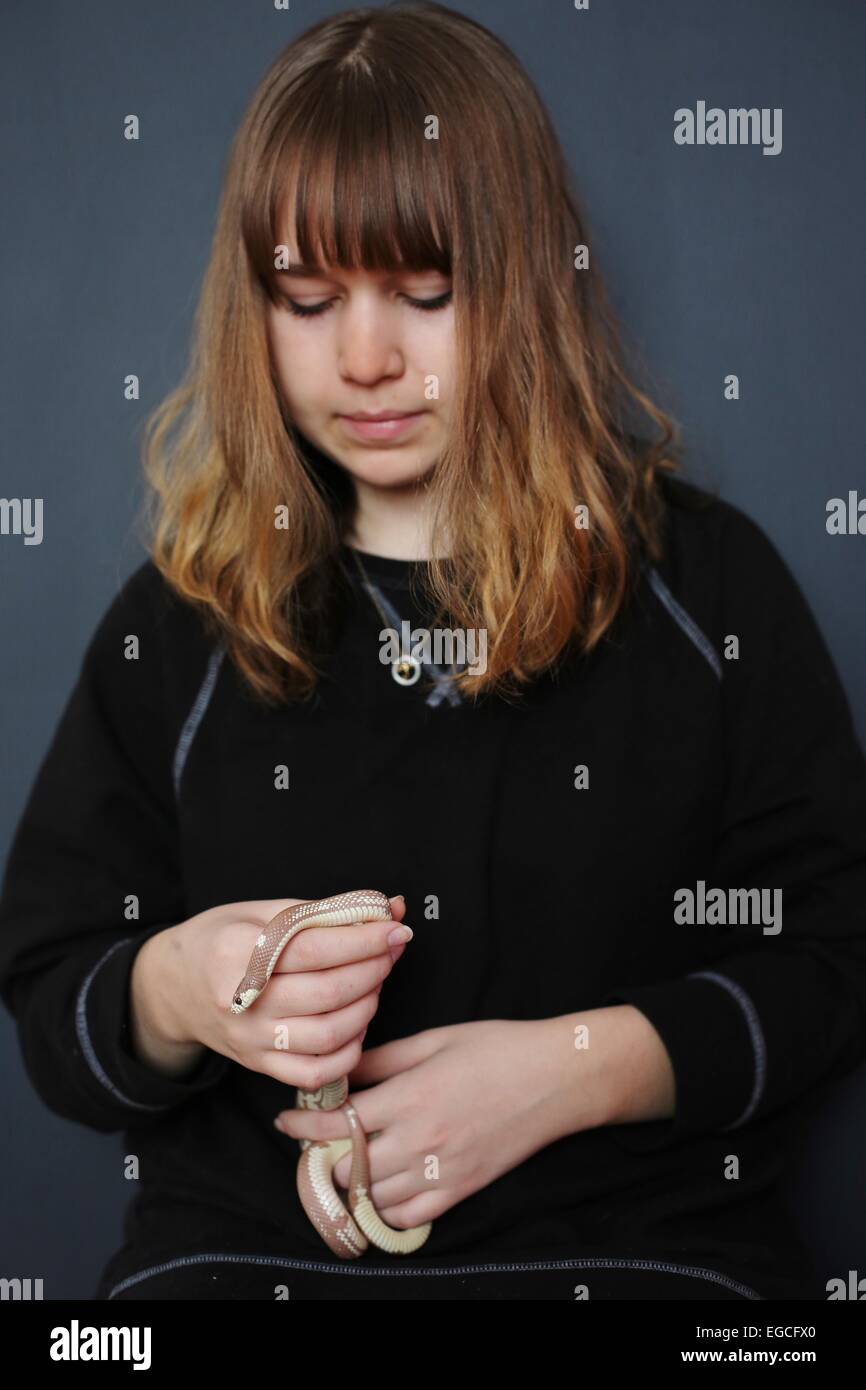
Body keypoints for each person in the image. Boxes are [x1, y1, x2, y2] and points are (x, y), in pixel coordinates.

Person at [1, 2, 864, 1303]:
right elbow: (54, 990)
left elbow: (833, 958)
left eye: (424, 292)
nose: (364, 358)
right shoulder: (176, 619)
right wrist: (179, 986)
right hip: (238, 1259)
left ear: (521, 276)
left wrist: (573, 1068)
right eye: (306, 298)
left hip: (643, 1258)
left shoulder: (706, 584)